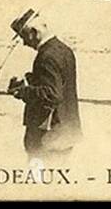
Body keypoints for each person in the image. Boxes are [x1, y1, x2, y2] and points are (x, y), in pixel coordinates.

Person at [8, 9, 81, 161]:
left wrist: (23, 91)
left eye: (24, 37)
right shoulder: (64, 50)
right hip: (66, 131)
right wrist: (31, 79)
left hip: (48, 137)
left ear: (34, 32)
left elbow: (52, 95)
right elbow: (59, 82)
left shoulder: (46, 57)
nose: (25, 43)